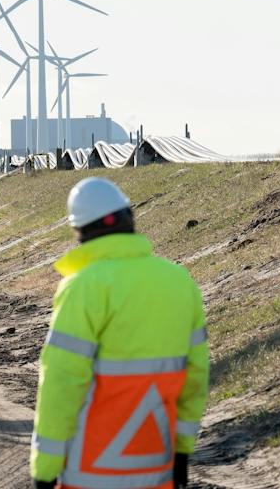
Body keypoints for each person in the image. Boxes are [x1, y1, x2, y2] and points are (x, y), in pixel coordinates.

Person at [31, 178, 208, 489]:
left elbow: (60, 384)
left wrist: (44, 471)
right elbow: (194, 379)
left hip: (92, 473)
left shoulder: (83, 288)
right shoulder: (180, 282)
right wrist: (182, 453)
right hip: (157, 470)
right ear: (130, 221)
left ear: (80, 231)